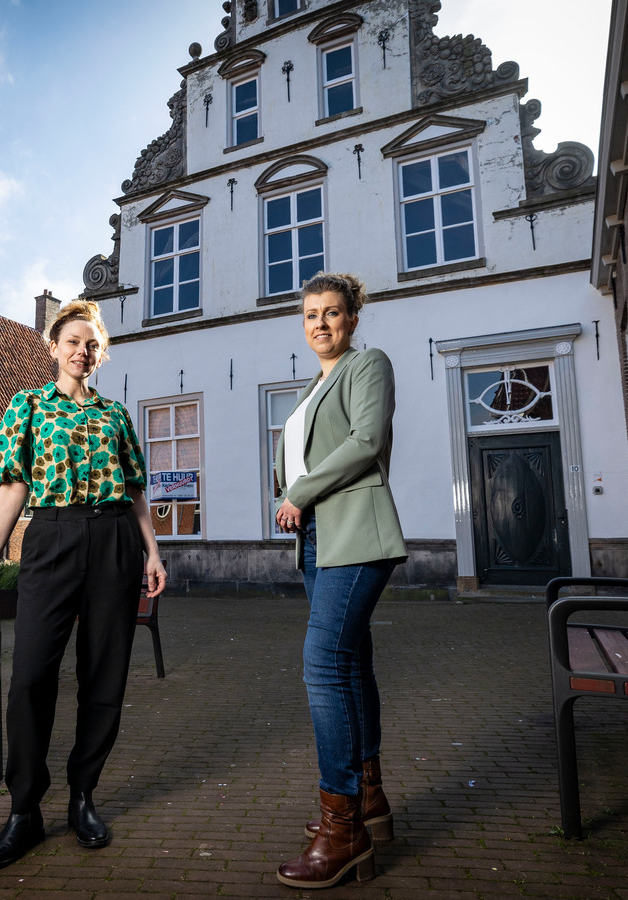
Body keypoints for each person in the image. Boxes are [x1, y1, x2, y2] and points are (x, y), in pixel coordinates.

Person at [0, 299, 166, 870]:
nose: (82, 351)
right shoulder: (25, 406)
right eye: (73, 341)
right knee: (30, 674)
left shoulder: (117, 416)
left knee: (105, 673)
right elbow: (12, 487)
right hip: (50, 539)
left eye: (92, 345)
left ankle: (83, 797)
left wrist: (152, 552)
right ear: (53, 347)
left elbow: (135, 491)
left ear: (100, 356)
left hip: (113, 544)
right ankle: (24, 811)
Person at [272, 273, 407, 889]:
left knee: (322, 665)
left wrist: (297, 490)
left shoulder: (366, 365)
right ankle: (367, 798)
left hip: (354, 532)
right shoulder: (311, 388)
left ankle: (341, 826)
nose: (320, 323)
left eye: (331, 313)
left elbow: (366, 441)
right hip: (317, 539)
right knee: (351, 666)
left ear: (353, 318)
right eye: (310, 315)